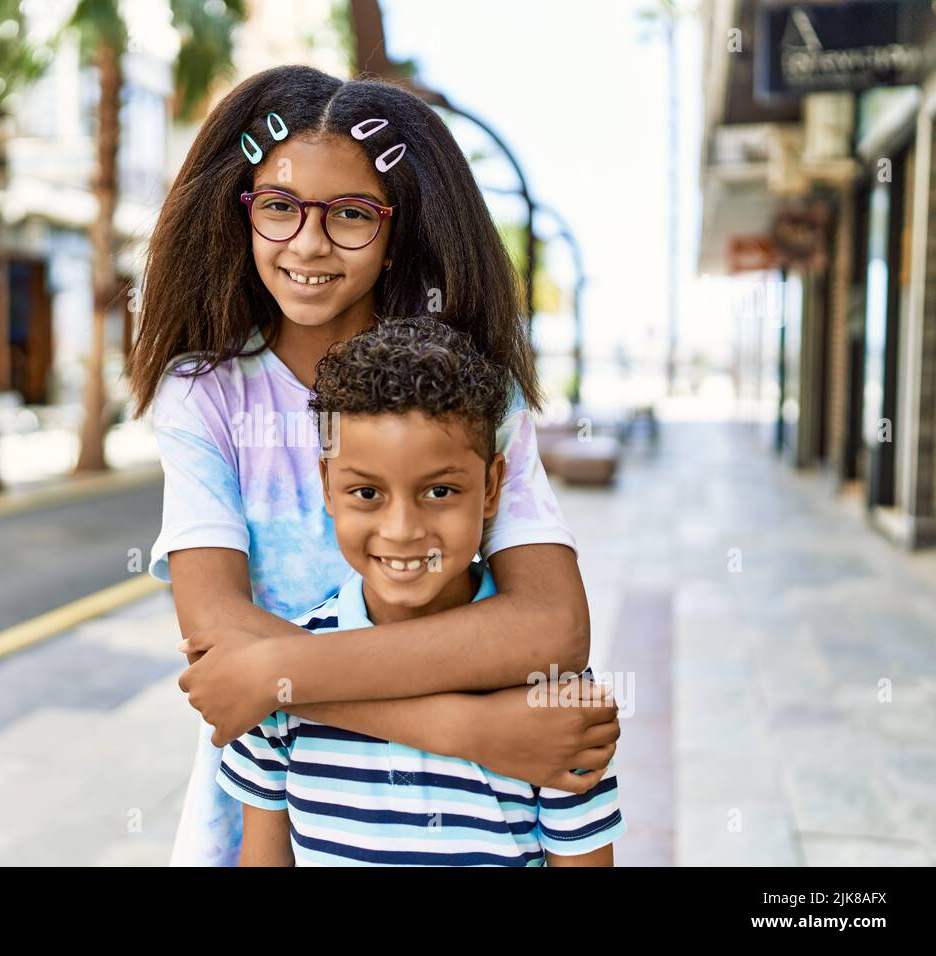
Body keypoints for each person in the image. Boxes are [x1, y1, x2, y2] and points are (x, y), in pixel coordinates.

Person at [128, 64, 620, 866]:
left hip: (476, 812)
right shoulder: (205, 395)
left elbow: (551, 626)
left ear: (397, 232)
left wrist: (276, 673)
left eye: (351, 214)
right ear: (244, 214)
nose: (308, 243)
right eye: (280, 207)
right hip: (274, 813)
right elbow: (218, 642)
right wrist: (465, 727)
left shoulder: (475, 393)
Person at [217, 318, 624, 866]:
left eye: (439, 490)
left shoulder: (550, 693)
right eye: (366, 492)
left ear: (492, 487)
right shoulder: (282, 681)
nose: (403, 529)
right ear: (327, 488)